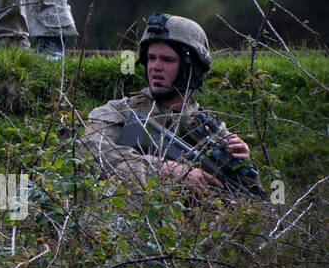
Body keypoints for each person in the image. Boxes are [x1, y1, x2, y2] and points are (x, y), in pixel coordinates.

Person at [79, 13, 259, 194]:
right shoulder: (119, 112)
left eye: (167, 60)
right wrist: (164, 169)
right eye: (151, 58)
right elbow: (89, 152)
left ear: (191, 69)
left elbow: (251, 195)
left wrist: (243, 164)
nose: (155, 66)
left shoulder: (211, 131)